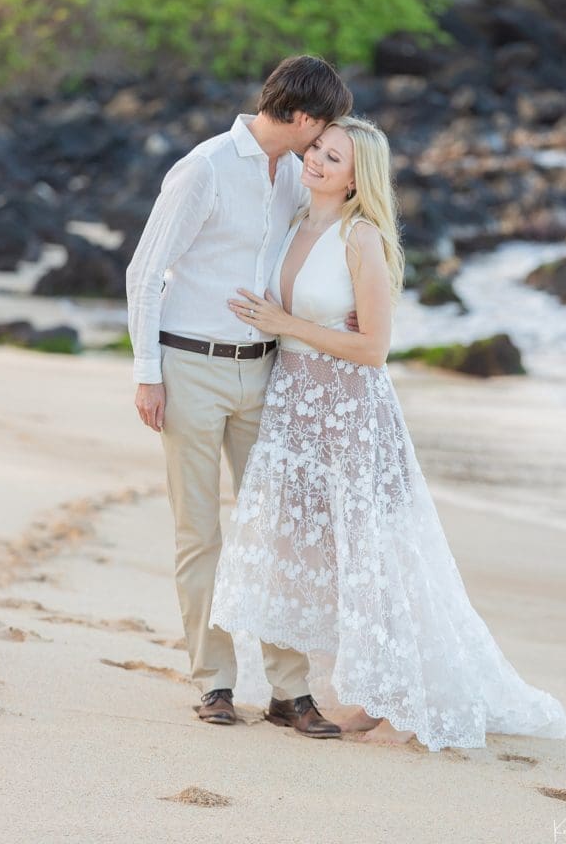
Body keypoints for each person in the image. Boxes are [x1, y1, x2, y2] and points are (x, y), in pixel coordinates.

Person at [209, 115, 566, 750]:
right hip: (293, 406)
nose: (318, 162)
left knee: (367, 554)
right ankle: (313, 685)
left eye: (335, 158)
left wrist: (281, 320)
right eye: (317, 149)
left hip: (350, 412)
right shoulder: (291, 223)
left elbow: (374, 347)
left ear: (356, 178)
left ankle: (378, 694)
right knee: (304, 551)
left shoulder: (361, 238)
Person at [126, 55, 354, 737]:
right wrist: (146, 373)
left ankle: (289, 690)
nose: (324, 144)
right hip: (187, 367)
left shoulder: (292, 173)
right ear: (305, 117)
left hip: (263, 373)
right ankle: (215, 682)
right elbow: (144, 272)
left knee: (276, 534)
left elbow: (309, 253)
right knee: (201, 532)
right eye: (326, 128)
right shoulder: (203, 168)